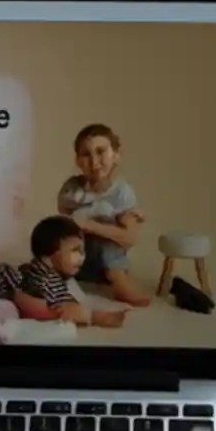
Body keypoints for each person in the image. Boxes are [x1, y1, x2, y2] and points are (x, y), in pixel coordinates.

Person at [56, 123, 152, 306]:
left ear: (116, 156)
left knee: (108, 243)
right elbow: (64, 219)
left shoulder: (122, 193)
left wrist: (89, 225)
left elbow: (128, 238)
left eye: (101, 152)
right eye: (86, 155)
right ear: (78, 161)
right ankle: (51, 280)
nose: (94, 161)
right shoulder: (72, 189)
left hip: (108, 266)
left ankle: (121, 284)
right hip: (75, 259)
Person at [8, 215, 126, 327]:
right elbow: (55, 308)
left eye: (82, 251)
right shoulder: (42, 275)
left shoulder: (57, 277)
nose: (82, 257)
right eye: (75, 250)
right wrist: (92, 316)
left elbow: (68, 298)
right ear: (48, 258)